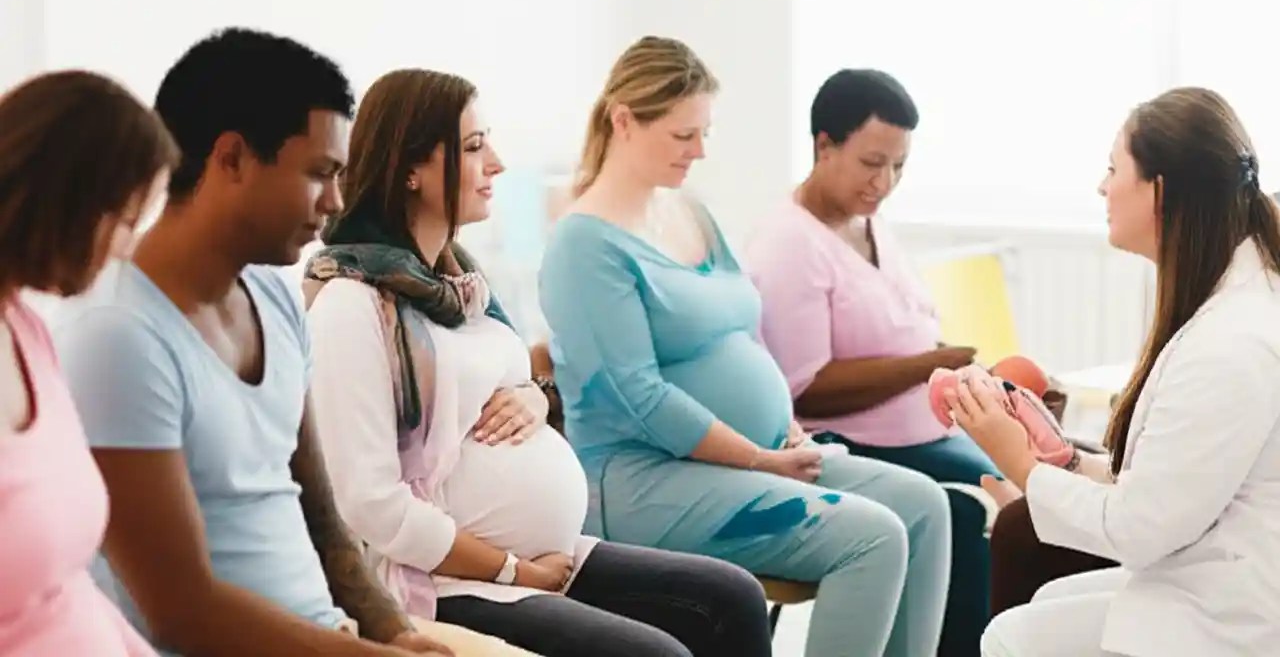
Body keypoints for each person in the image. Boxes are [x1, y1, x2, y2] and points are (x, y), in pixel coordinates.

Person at [49, 29, 504, 657]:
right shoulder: (117, 339)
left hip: (328, 634)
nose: (336, 202)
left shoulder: (275, 294)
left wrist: (395, 632)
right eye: (319, 174)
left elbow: (326, 524)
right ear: (231, 158)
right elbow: (183, 611)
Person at [304, 68, 772, 657]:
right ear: (411, 171)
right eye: (474, 147)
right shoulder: (355, 305)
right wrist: (509, 570)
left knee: (731, 596)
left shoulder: (458, 281)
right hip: (447, 578)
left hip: (542, 555)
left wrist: (533, 394)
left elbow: (519, 380)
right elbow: (369, 502)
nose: (497, 163)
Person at [538, 35, 952, 657]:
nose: (700, 151)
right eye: (683, 136)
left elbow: (745, 329)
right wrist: (760, 461)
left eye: (704, 132)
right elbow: (638, 396)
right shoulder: (584, 244)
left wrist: (784, 429)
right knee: (872, 537)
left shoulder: (690, 212)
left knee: (925, 506)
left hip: (752, 453)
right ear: (624, 121)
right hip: (642, 480)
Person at [946, 87, 1280, 657]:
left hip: (1230, 618)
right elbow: (1167, 479)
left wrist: (1022, 464)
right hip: (1217, 580)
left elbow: (1139, 530)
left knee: (1011, 637)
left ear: (1160, 190)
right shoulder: (1231, 303)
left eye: (1112, 168)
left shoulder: (1231, 344)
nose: (1102, 187)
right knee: (1042, 607)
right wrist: (1065, 459)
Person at [743, 68, 995, 655]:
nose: (884, 182)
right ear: (823, 146)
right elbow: (805, 391)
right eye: (871, 163)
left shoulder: (868, 220)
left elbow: (902, 331)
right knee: (976, 509)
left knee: (1021, 485)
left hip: (920, 430)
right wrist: (928, 365)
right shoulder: (788, 245)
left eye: (899, 167)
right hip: (847, 442)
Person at [0, 70, 174, 657]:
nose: (128, 247)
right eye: (126, 222)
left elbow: (64, 589)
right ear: (66, 199)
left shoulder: (25, 332)